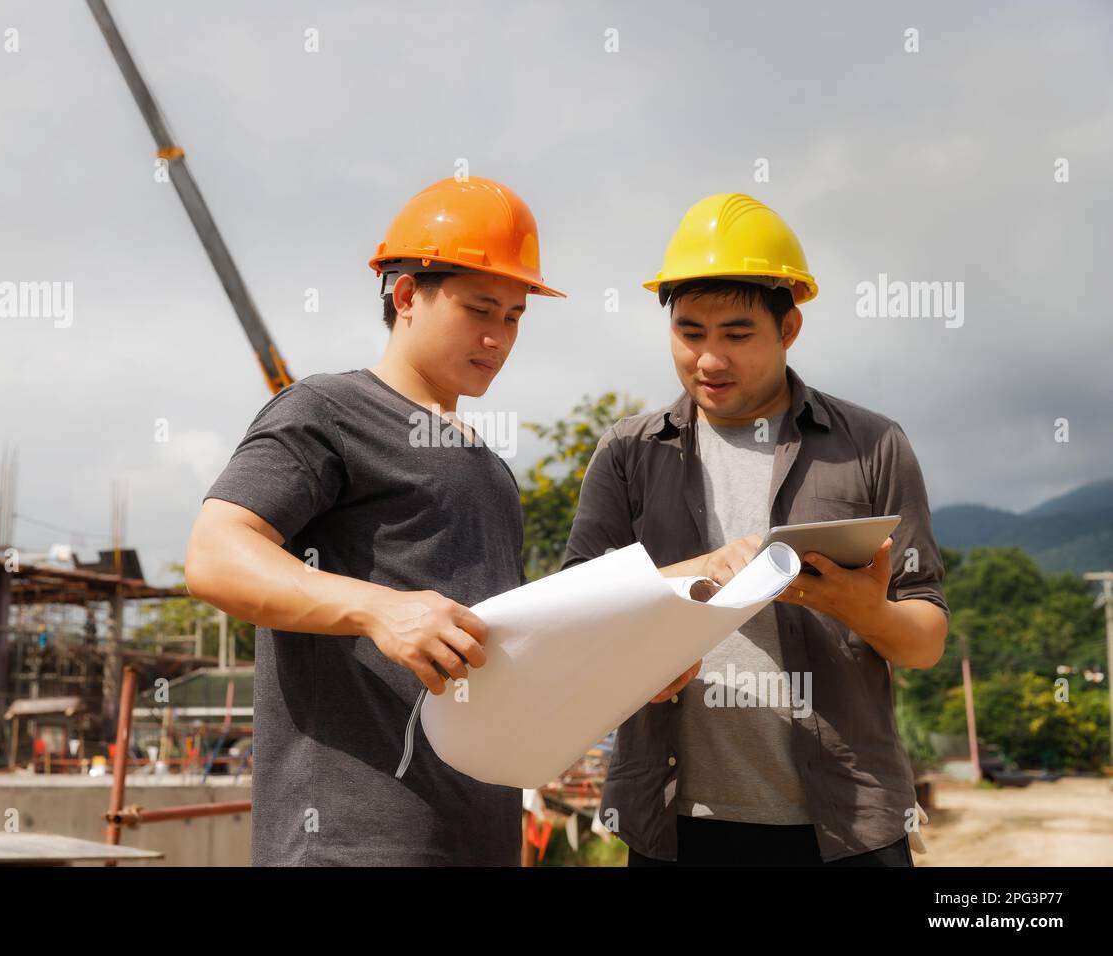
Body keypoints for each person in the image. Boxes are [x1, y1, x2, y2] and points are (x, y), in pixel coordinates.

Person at [185, 176, 564, 865]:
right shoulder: (325, 413)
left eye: (513, 316)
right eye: (480, 308)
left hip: (473, 844)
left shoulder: (490, 471)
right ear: (407, 295)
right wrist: (378, 610)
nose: (497, 337)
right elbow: (215, 556)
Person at [562, 192, 948, 866]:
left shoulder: (872, 445)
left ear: (789, 327)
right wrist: (692, 575)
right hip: (676, 820)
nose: (709, 360)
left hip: (847, 824)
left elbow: (925, 639)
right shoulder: (629, 452)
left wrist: (867, 612)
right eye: (690, 333)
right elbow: (573, 613)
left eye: (736, 335)